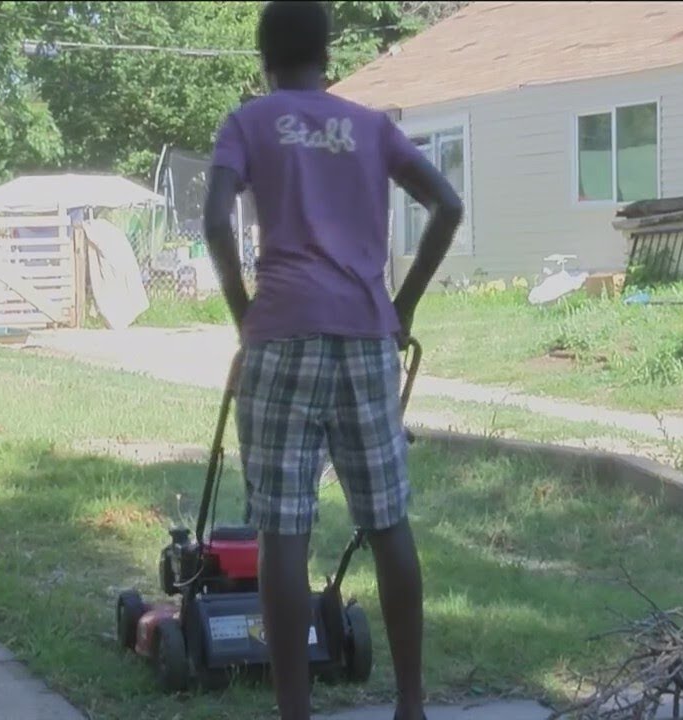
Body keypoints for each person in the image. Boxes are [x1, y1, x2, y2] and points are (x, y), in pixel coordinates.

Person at [202, 3, 463, 719]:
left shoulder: (247, 123)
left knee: (282, 531)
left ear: (264, 59)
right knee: (388, 522)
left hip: (281, 336)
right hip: (365, 337)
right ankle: (411, 704)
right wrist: (403, 307)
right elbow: (446, 205)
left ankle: (295, 711)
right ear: (327, 55)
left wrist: (244, 313)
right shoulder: (371, 126)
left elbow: (217, 220)